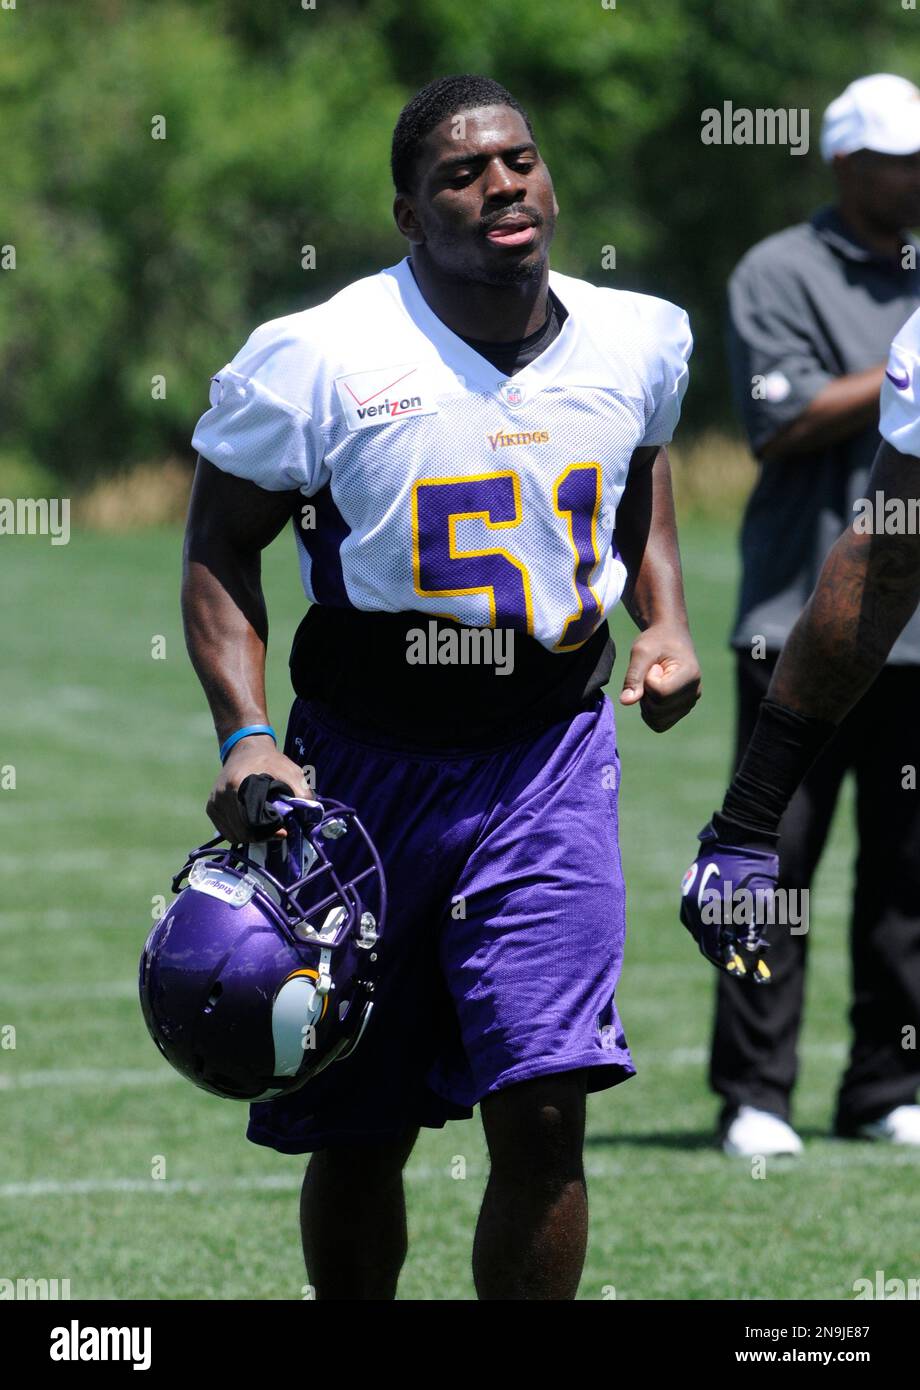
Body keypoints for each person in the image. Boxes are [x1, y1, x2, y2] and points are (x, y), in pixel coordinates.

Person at [182, 73, 701, 1300]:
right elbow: (218, 541)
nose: (500, 186)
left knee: (543, 1104)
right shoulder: (316, 356)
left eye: (516, 160)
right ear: (410, 217)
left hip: (549, 755)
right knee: (362, 1121)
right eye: (460, 175)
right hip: (364, 762)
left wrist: (664, 616)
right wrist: (247, 735)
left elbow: (635, 468)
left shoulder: (637, 335)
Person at [710, 74, 920, 1156]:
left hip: (917, 636)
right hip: (798, 617)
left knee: (904, 874)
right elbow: (775, 418)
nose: (917, 175)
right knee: (771, 862)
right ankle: (753, 1092)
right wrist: (901, 376)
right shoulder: (775, 271)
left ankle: (883, 1083)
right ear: (845, 163)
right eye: (899, 158)